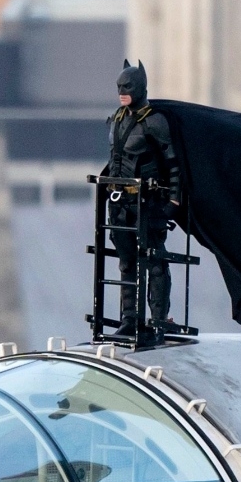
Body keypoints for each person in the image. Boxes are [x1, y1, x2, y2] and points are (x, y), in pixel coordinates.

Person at [107, 60, 181, 337]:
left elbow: (174, 164)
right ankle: (130, 319)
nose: (122, 92)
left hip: (148, 203)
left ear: (139, 87)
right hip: (120, 203)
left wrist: (173, 201)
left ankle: (158, 319)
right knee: (126, 261)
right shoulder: (117, 119)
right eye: (119, 87)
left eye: (127, 87)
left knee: (154, 261)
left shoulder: (155, 122)